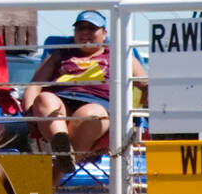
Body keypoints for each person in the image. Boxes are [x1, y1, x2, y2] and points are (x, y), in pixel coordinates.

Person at [22, 10, 148, 179]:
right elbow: (34, 86)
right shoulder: (61, 54)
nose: (85, 33)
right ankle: (62, 144)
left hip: (97, 104)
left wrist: (146, 110)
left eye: (91, 28)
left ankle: (58, 168)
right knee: (44, 99)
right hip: (62, 102)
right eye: (80, 28)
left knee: (89, 114)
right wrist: (30, 113)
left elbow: (145, 83)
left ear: (104, 34)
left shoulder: (118, 55)